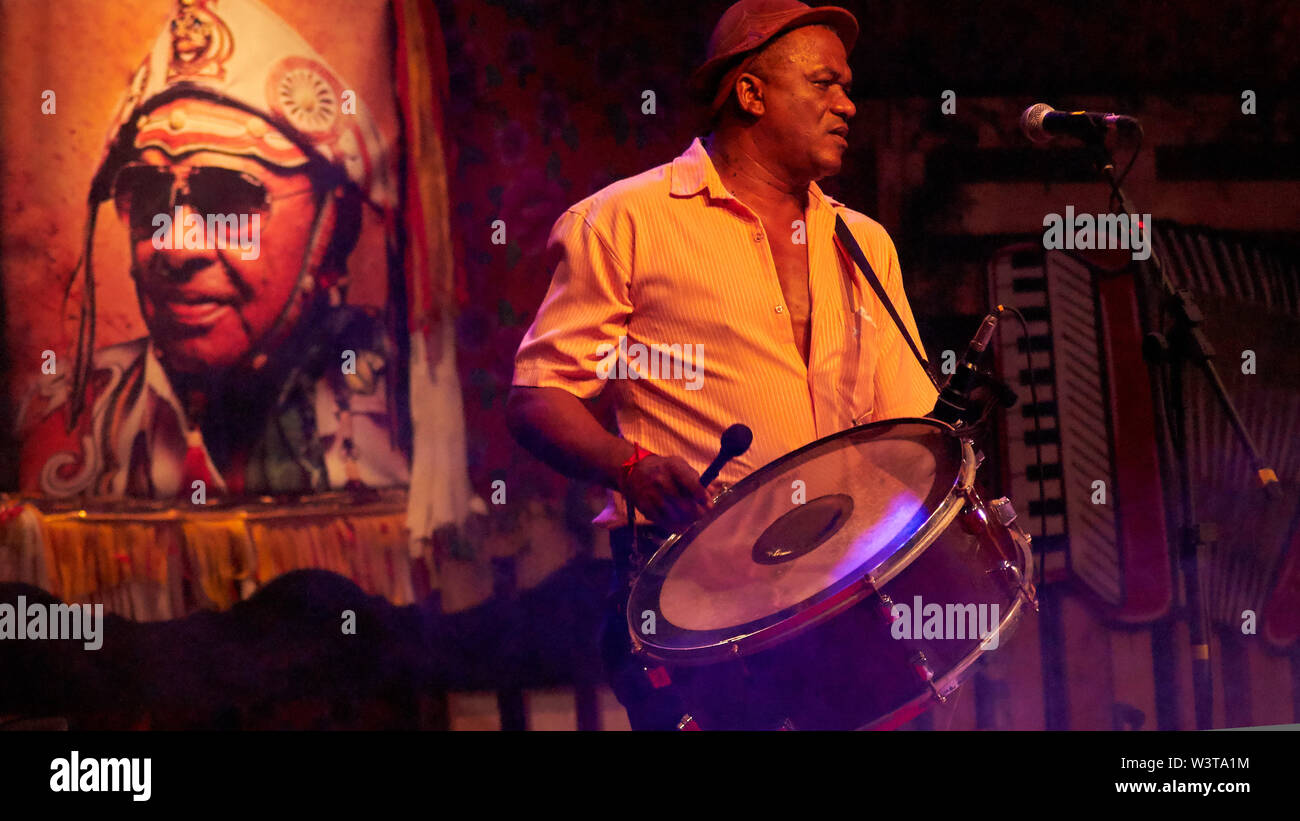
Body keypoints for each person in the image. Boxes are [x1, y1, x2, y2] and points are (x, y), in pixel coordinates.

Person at [507, 0, 938, 729]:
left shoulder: (865, 242)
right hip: (694, 591)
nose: (848, 103)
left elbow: (910, 429)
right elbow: (536, 397)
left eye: (848, 85)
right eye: (825, 83)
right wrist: (629, 463)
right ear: (751, 91)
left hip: (842, 590)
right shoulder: (624, 221)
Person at [18, 0, 409, 499]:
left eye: (228, 198)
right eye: (149, 199)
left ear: (330, 228)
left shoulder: (412, 408)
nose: (175, 246)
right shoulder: (69, 419)